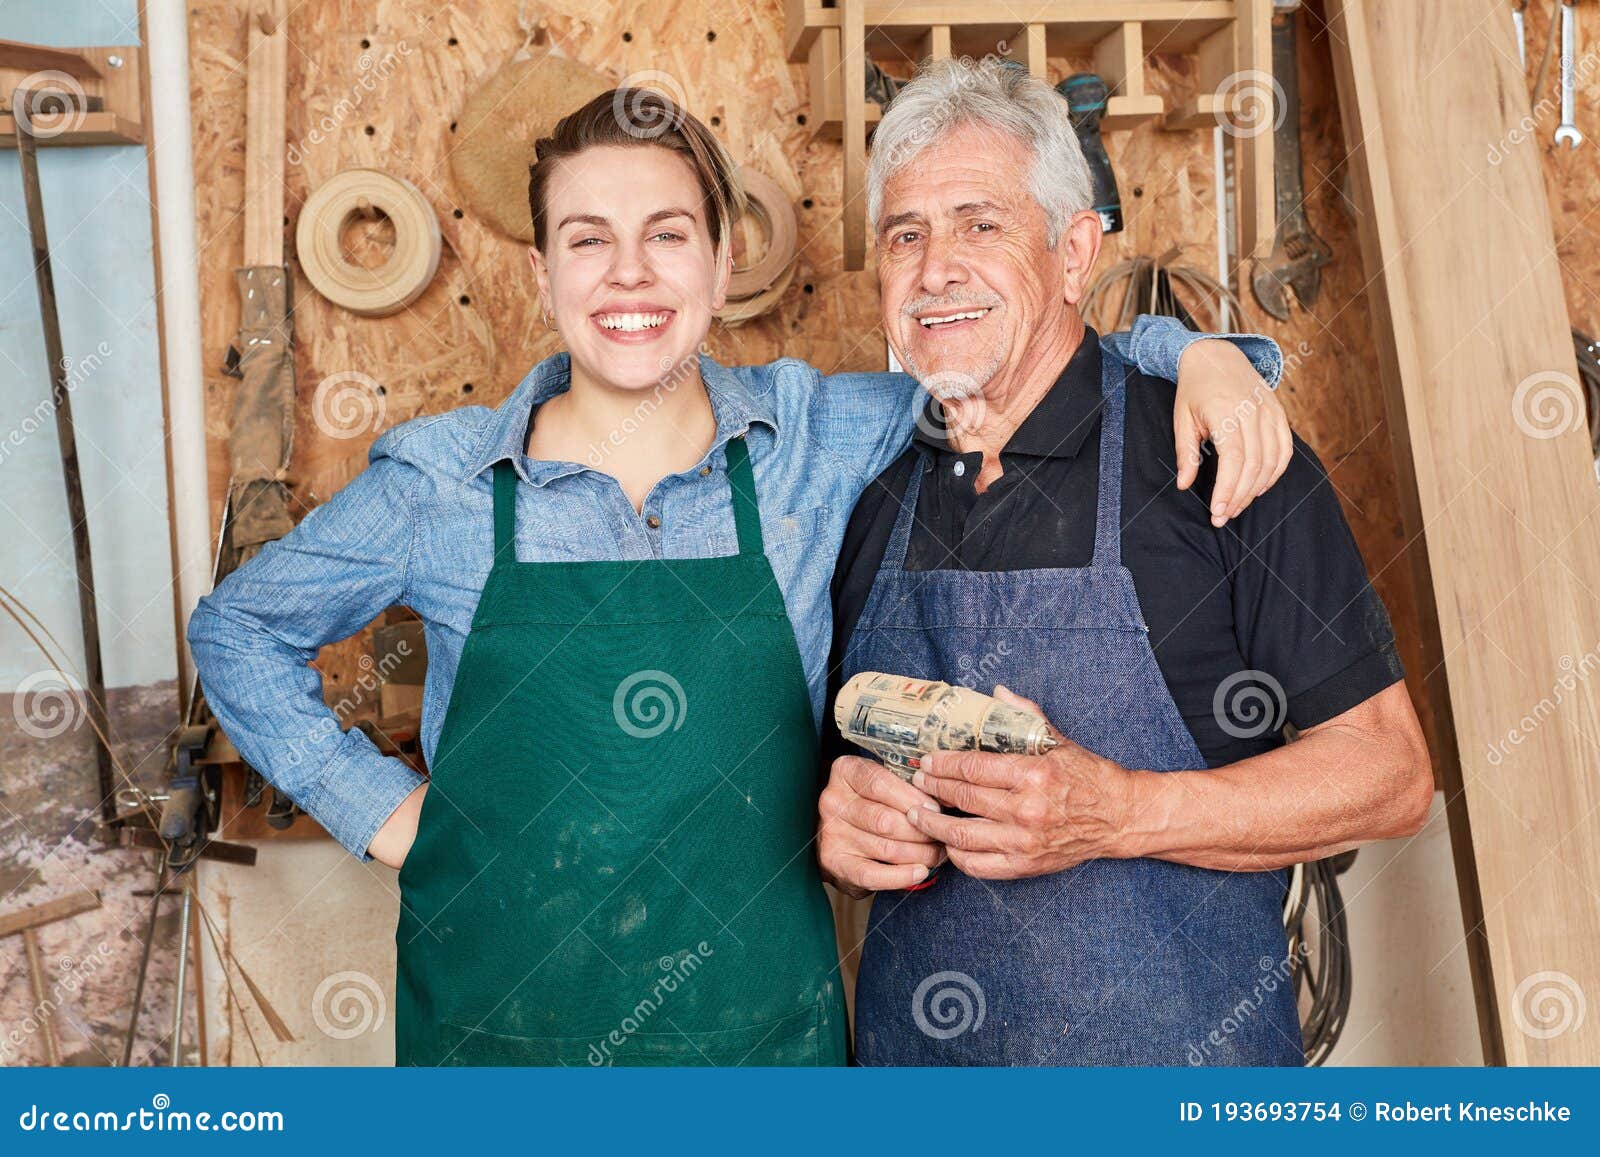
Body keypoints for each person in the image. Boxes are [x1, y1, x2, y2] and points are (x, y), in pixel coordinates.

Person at [186, 87, 1290, 1068]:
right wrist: (393, 818)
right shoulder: (446, 481)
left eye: (667, 235)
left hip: (762, 1046)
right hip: (497, 1045)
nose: (628, 273)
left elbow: (1021, 356)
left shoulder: (815, 436)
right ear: (542, 274)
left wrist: (1196, 355)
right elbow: (238, 630)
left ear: (721, 265)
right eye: (587, 239)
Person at [818, 57, 1433, 1067]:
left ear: (1072, 254)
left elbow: (1389, 774)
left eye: (980, 225)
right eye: (905, 235)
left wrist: (1121, 813)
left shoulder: (1216, 455)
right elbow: (835, 794)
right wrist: (843, 836)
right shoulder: (861, 488)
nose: (935, 271)